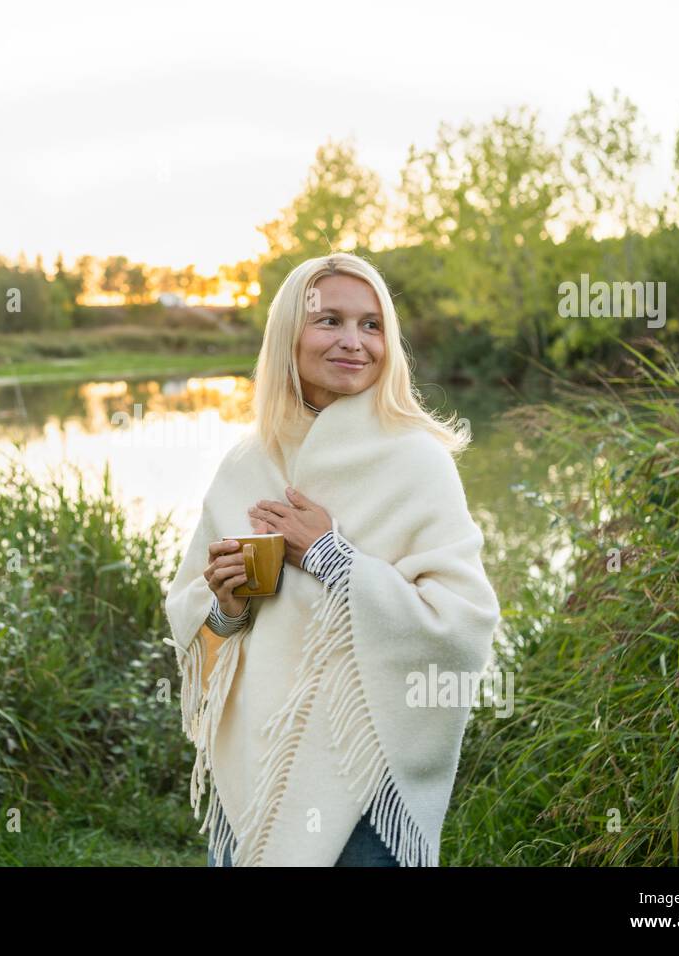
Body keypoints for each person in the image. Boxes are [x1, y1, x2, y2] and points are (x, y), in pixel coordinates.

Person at [164, 252, 500, 867]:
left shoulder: (416, 460)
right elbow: (199, 632)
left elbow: (462, 625)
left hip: (364, 775)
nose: (354, 341)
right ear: (287, 336)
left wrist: (329, 556)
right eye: (330, 321)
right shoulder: (247, 462)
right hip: (256, 772)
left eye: (371, 325)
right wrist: (229, 606)